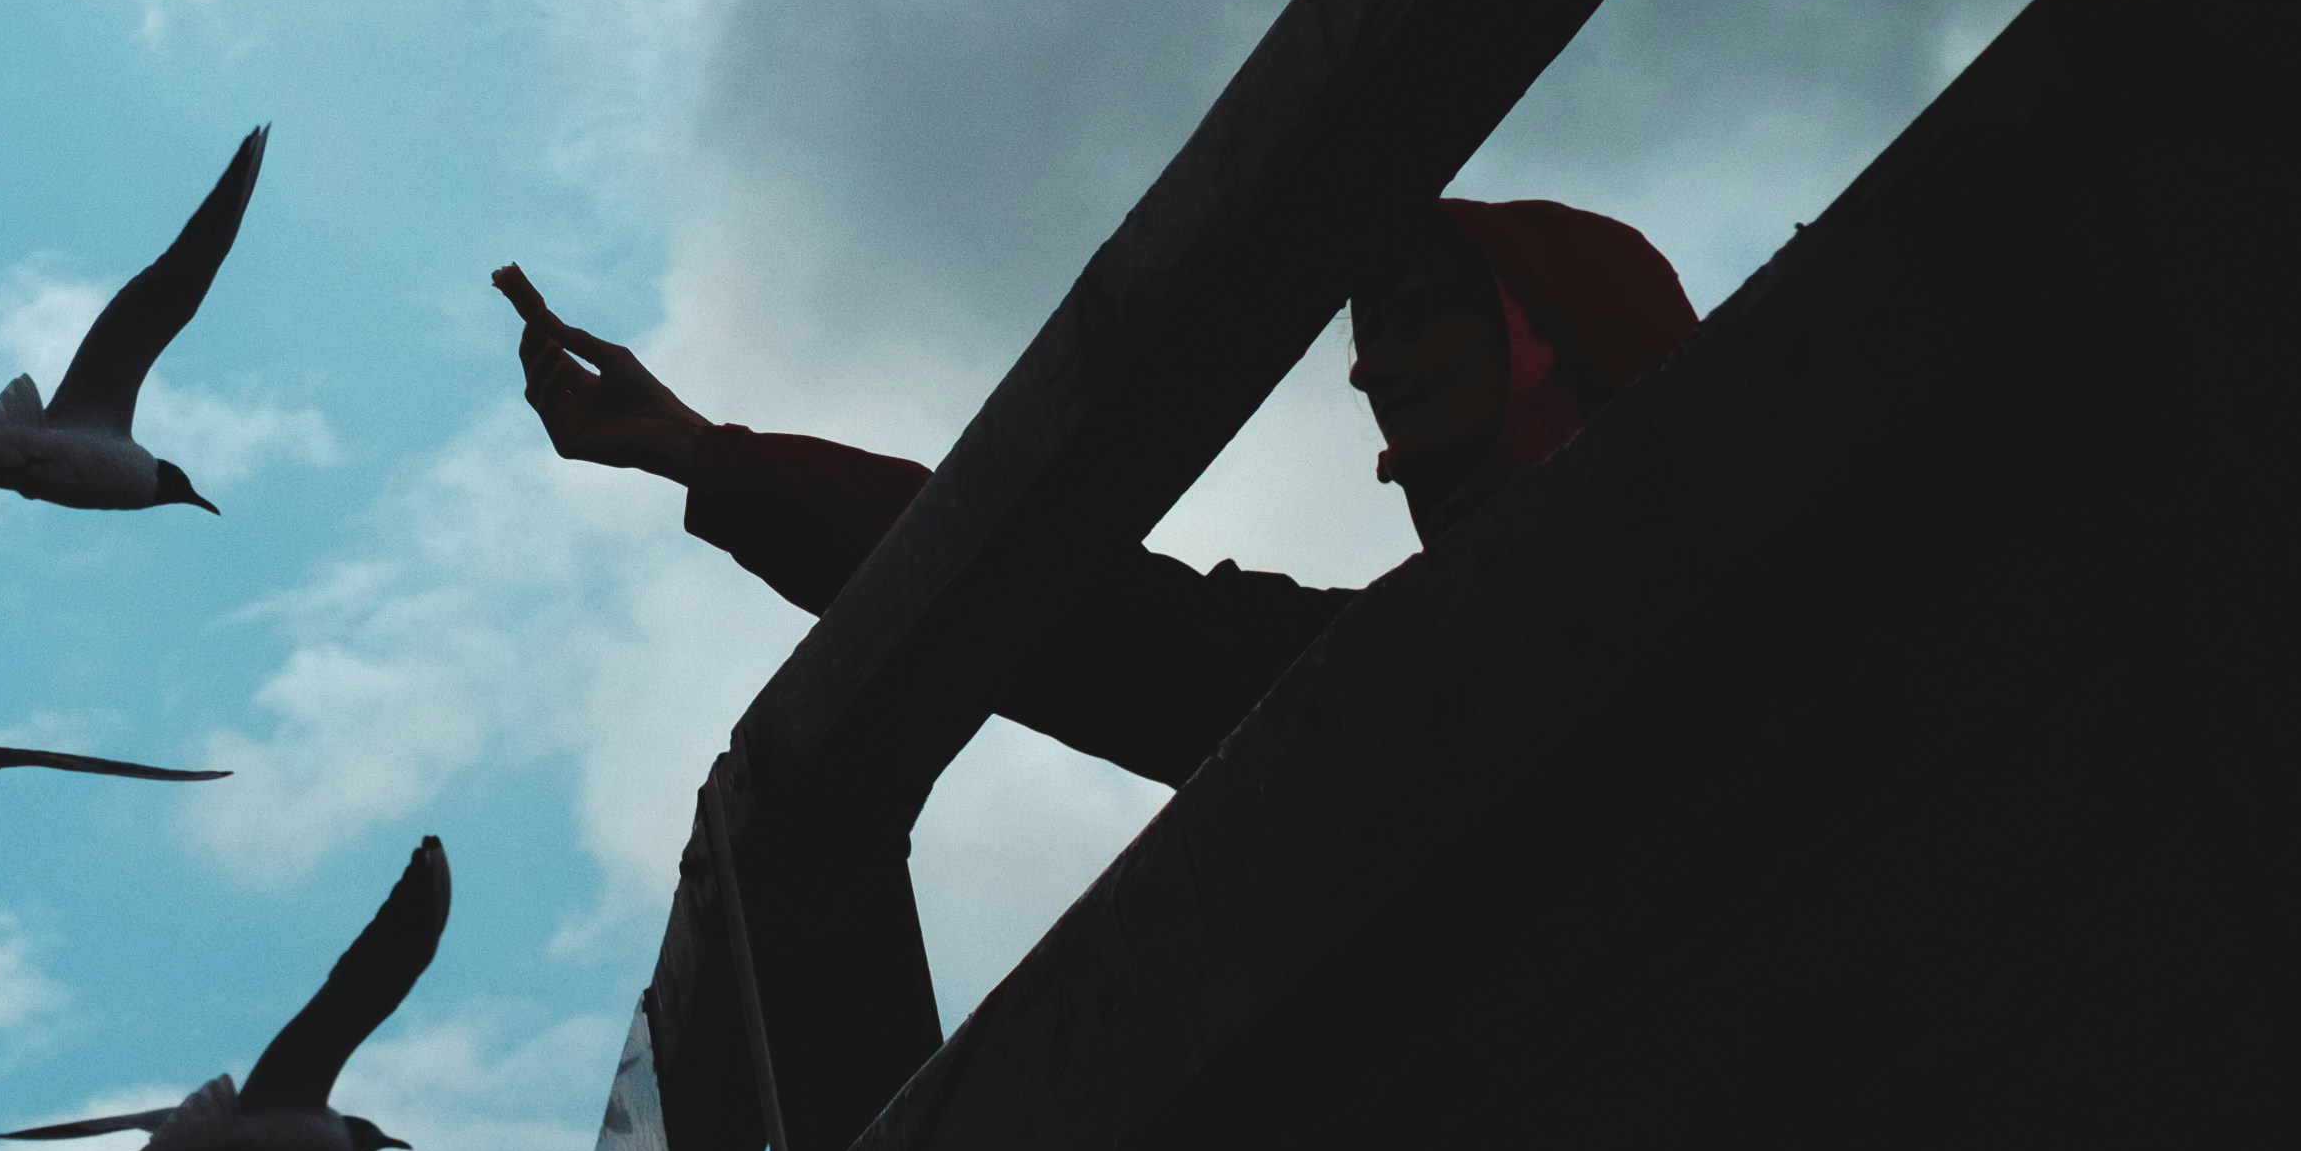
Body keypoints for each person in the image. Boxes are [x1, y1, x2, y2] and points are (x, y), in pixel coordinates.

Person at [499, 197, 1698, 784]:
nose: (1366, 368)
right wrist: (705, 457)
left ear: (1555, 325)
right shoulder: (1360, 663)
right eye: (1361, 330)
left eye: (1411, 315)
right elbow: (1070, 615)